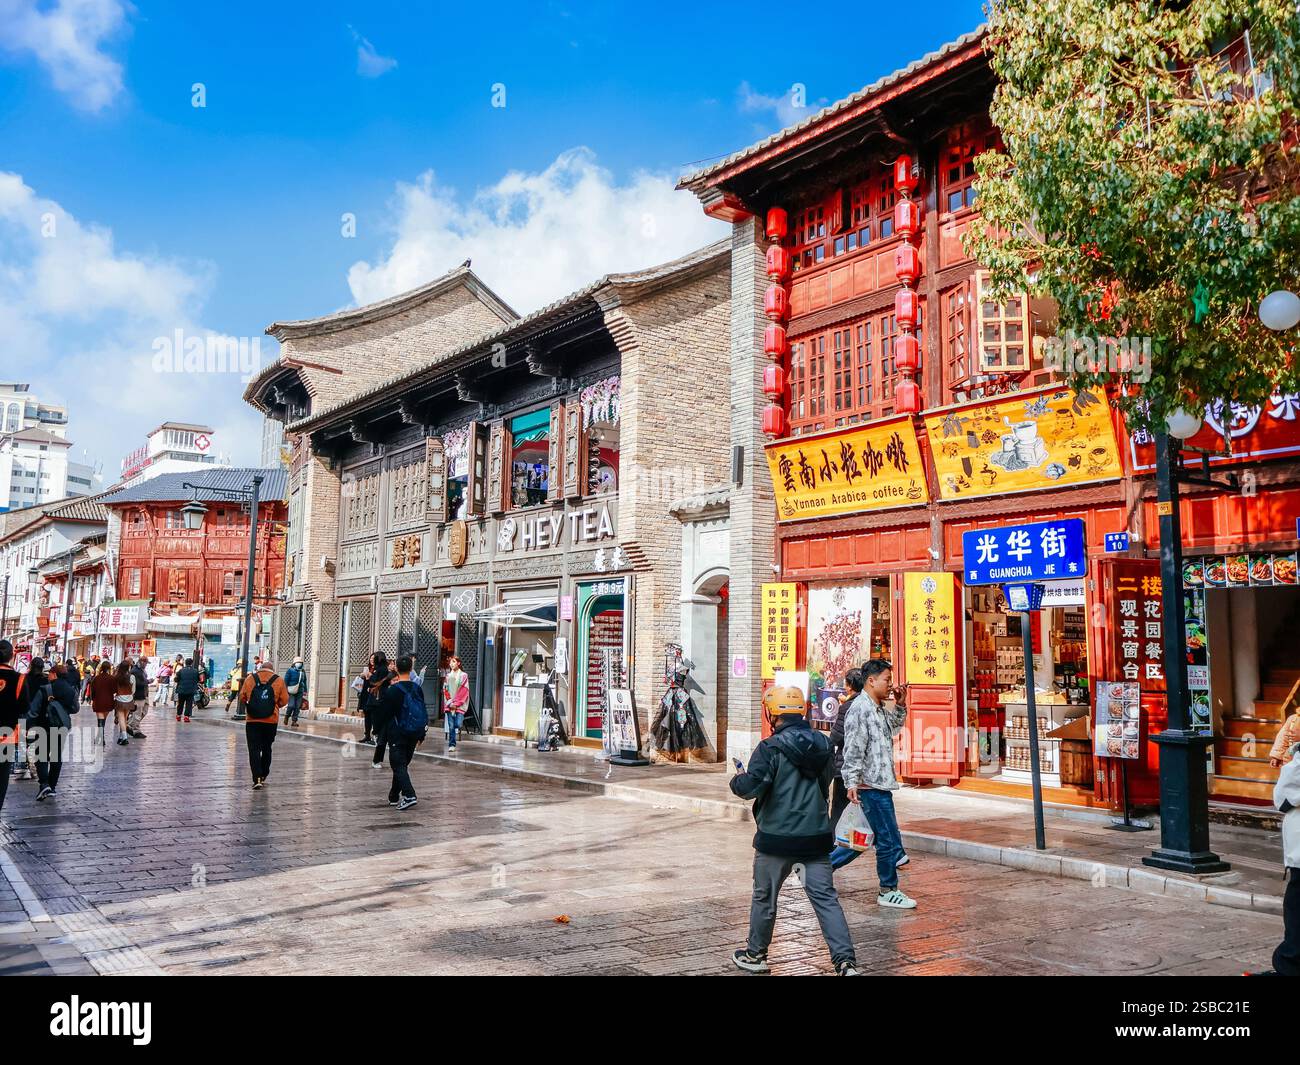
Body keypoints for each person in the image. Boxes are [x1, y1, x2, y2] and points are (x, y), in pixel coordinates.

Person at [729, 684, 860, 976]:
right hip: (815, 838)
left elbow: (751, 788)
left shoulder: (769, 748)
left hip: (775, 839)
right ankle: (845, 961)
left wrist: (738, 779)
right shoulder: (823, 744)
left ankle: (756, 954)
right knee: (826, 900)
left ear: (772, 713)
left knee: (765, 897)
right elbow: (826, 781)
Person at [838, 658, 915, 909]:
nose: (890, 685)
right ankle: (888, 889)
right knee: (885, 841)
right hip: (870, 786)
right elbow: (853, 749)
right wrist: (851, 782)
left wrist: (900, 705)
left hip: (880, 784)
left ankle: (817, 870)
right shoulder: (860, 709)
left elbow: (892, 729)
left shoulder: (877, 706)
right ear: (871, 681)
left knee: (861, 841)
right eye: (886, 680)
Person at [379, 655, 427, 811]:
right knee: (402, 765)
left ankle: (409, 795)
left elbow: (385, 713)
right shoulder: (417, 688)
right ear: (411, 669)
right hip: (414, 732)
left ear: (396, 669)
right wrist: (422, 735)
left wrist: (377, 731)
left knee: (398, 765)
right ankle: (393, 796)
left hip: (398, 733)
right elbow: (423, 711)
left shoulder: (394, 690)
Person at [30, 662, 77, 801]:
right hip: (61, 727)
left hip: (43, 726)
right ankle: (52, 786)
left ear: (54, 674)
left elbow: (34, 710)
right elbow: (75, 708)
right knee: (56, 755)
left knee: (42, 755)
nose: (48, 675)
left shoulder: (45, 689)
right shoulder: (71, 690)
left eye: (49, 673)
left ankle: (44, 784)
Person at [238, 659, 287, 790]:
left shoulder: (250, 679)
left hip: (252, 720)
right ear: (272, 669)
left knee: (253, 749)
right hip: (271, 721)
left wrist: (251, 705)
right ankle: (264, 774)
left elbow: (242, 697)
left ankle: (257, 778)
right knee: (267, 748)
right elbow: (284, 701)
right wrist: (273, 706)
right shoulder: (279, 680)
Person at [0, 640, 27, 818]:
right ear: (12, 656)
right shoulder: (20, 679)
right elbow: (25, 707)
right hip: (7, 736)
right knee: (2, 776)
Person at [366, 652, 395, 769]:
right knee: (384, 736)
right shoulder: (382, 671)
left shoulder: (380, 670)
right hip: (382, 705)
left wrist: (369, 676)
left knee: (382, 735)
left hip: (379, 704)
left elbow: (372, 682)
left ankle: (375, 733)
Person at [442, 655, 469, 753]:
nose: (451, 664)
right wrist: (449, 702)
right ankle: (452, 744)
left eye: (453, 662)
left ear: (458, 663)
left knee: (458, 723)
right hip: (450, 704)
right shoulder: (448, 676)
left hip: (459, 705)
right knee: (451, 725)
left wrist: (456, 703)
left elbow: (464, 690)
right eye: (450, 662)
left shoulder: (464, 676)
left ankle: (453, 741)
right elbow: (445, 689)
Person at [88, 660, 116, 745]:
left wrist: (92, 699)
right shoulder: (111, 678)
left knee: (100, 720)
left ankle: (100, 738)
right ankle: (100, 737)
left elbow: (93, 690)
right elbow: (114, 690)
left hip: (98, 700)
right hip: (108, 701)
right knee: (103, 720)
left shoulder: (97, 678)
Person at [112, 660, 135, 745]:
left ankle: (124, 737)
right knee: (125, 718)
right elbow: (133, 690)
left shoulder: (116, 677)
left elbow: (114, 689)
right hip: (129, 699)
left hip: (120, 699)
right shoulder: (132, 677)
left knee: (121, 718)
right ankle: (121, 736)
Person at [127, 656, 150, 738]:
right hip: (138, 695)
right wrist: (147, 682)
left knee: (144, 711)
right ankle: (136, 730)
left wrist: (146, 681)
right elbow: (136, 684)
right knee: (137, 713)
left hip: (144, 694)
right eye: (146, 663)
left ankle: (129, 725)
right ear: (142, 662)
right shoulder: (135, 671)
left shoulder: (141, 670)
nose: (146, 665)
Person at [174, 657, 201, 722]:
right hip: (191, 690)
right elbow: (198, 680)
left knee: (180, 703)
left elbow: (176, 679)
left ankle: (178, 715)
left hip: (181, 690)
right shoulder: (195, 671)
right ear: (191, 663)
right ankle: (186, 716)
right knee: (189, 703)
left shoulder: (181, 671)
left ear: (185, 663)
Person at [283, 656, 305, 727]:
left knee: (297, 706)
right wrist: (285, 690)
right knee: (291, 705)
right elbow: (285, 681)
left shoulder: (302, 671)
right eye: (297, 662)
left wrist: (305, 690)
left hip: (300, 691)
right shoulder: (290, 670)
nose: (299, 664)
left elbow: (304, 681)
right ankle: (287, 716)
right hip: (291, 691)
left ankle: (294, 721)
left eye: (300, 663)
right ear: (294, 663)